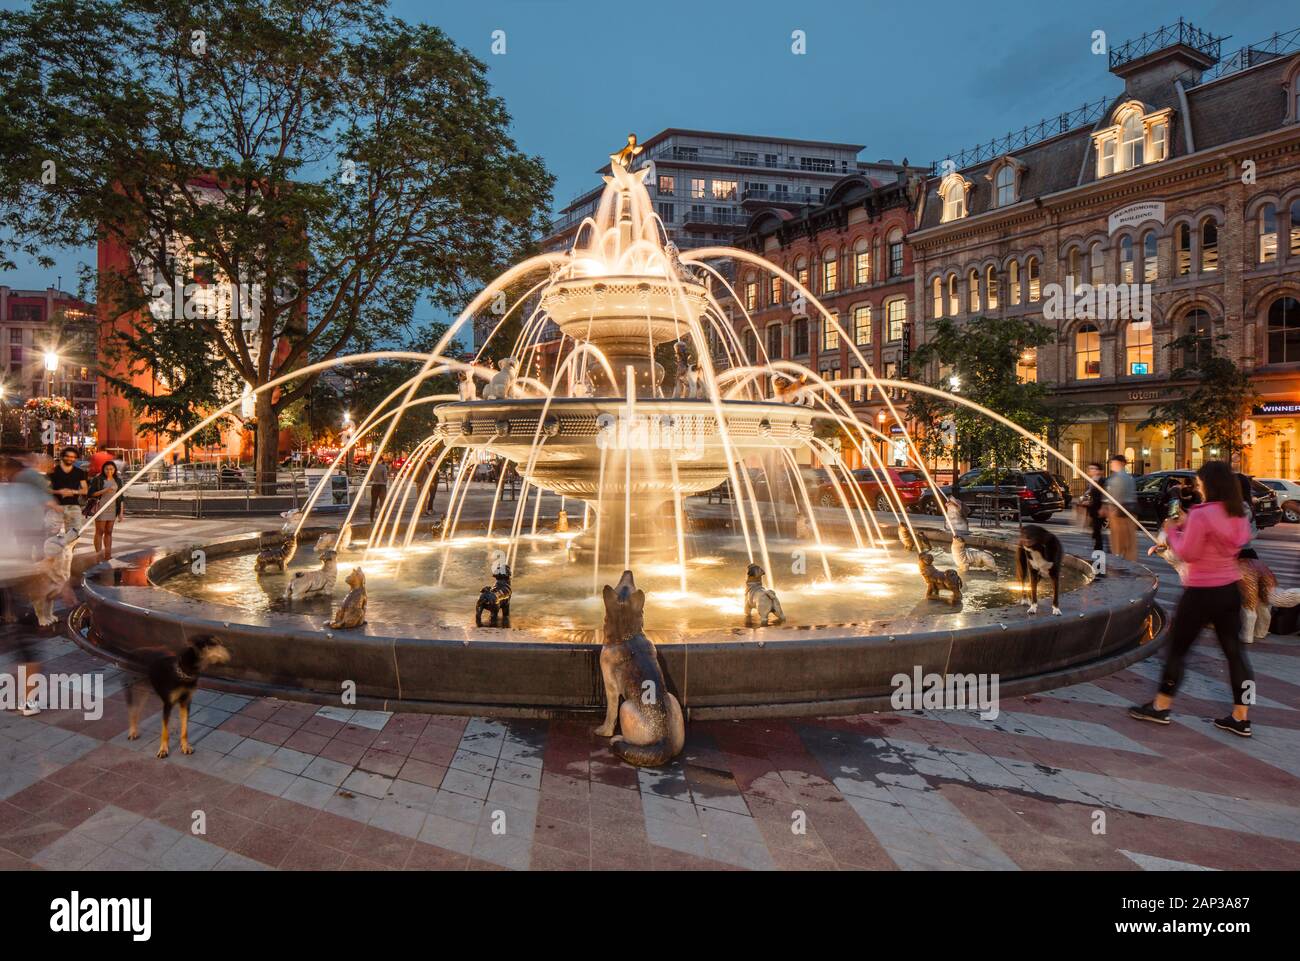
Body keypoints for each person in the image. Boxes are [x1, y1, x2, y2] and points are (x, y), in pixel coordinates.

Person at [1130, 460, 1254, 737]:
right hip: (1230, 589)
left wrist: (1173, 529)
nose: (1197, 488)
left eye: (1199, 484)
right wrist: (1190, 523)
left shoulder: (1201, 513)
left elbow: (1188, 553)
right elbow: (1226, 539)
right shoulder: (1238, 513)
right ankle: (1242, 716)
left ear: (1208, 485)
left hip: (1201, 591)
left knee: (1177, 650)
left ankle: (1161, 706)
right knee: (1235, 653)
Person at [86, 459, 124, 561]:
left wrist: (121, 513)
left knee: (109, 531)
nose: (109, 471)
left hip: (113, 508)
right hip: (100, 507)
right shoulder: (98, 479)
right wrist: (106, 490)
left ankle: (108, 554)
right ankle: (98, 555)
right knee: (100, 531)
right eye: (107, 469)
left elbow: (121, 497)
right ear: (103, 469)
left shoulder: (118, 480)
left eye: (111, 469)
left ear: (115, 470)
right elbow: (91, 494)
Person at [1103, 454, 1137, 561]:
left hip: (1118, 512)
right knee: (1130, 540)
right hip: (1130, 510)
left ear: (1120, 463)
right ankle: (1130, 559)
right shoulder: (1129, 477)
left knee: (1118, 540)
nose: (1111, 465)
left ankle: (1119, 560)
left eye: (1113, 462)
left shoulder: (1117, 478)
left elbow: (1114, 496)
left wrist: (1110, 509)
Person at [48, 446, 87, 535]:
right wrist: (58, 492)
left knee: (73, 534)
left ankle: (68, 549)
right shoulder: (53, 471)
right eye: (68, 456)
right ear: (62, 457)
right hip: (56, 506)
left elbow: (85, 490)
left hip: (73, 506)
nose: (70, 459)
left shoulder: (80, 472)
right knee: (51, 533)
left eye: (73, 457)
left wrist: (73, 492)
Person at [1082, 462, 1107, 563]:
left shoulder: (1103, 481)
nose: (1091, 470)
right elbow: (1089, 494)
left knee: (1097, 531)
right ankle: (1098, 548)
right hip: (1092, 509)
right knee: (1095, 531)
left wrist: (1103, 507)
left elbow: (1104, 496)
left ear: (1099, 471)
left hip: (1099, 509)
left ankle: (1098, 552)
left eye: (1094, 468)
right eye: (1090, 468)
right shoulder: (1090, 481)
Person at [369, 456, 389, 522]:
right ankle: (382, 518)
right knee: (382, 503)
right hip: (382, 487)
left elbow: (370, 479)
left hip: (374, 486)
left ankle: (371, 518)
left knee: (373, 503)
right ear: (380, 460)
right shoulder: (383, 467)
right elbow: (385, 478)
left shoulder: (372, 467)